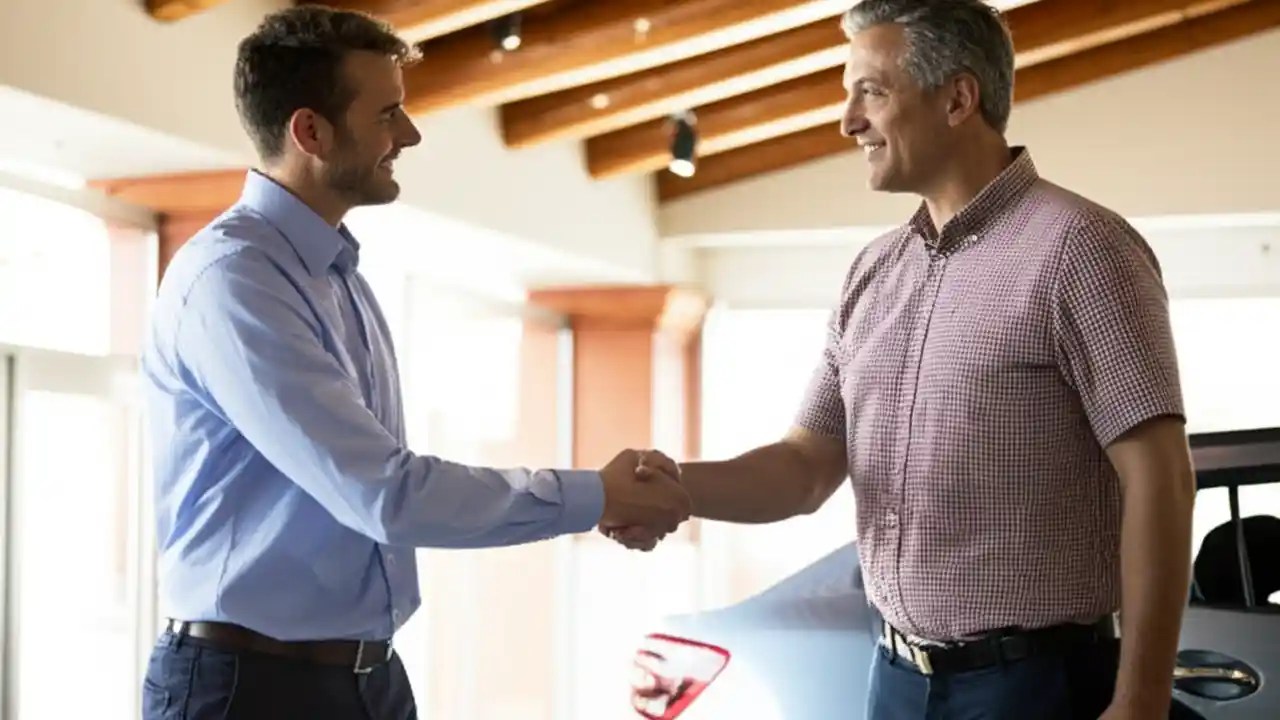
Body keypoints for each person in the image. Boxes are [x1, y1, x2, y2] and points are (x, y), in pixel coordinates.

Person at [607, 1, 1196, 718]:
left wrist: (1141, 699)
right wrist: (670, 486)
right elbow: (803, 469)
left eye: (871, 91)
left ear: (957, 98)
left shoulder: (1081, 248)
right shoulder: (873, 272)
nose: (847, 121)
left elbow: (1160, 474)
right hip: (894, 679)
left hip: (1036, 688)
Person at [139, 7, 690, 719]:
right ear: (310, 132)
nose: (410, 134)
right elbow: (385, 494)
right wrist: (597, 496)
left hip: (367, 678)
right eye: (388, 113)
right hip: (250, 690)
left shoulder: (339, 275)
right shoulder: (234, 280)